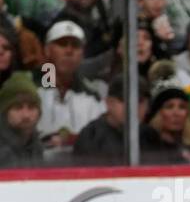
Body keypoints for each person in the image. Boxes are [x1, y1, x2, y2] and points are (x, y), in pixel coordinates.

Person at [36, 20, 106, 159]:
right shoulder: (31, 92)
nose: (69, 51)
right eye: (62, 44)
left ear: (82, 53)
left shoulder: (94, 96)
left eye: (75, 45)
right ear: (47, 50)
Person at [71, 73, 141, 164]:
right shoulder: (91, 135)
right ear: (109, 102)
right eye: (122, 100)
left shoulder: (148, 135)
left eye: (139, 101)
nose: (131, 107)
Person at [0, 71, 44, 168]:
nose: (26, 115)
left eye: (31, 107)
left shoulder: (36, 146)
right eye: (18, 108)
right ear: (5, 112)